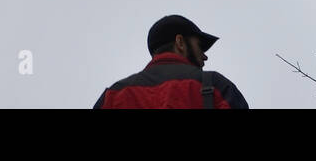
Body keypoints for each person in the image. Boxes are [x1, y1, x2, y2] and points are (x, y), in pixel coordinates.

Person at [92, 14, 249, 108]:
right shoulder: (215, 86)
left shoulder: (113, 96)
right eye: (200, 46)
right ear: (180, 42)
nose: (204, 56)